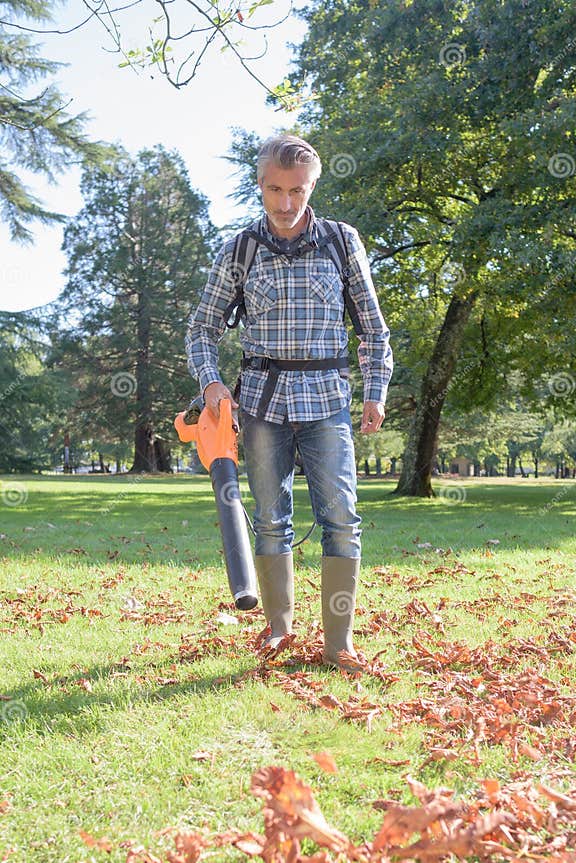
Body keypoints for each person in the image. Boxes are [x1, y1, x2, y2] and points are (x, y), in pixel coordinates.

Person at [185, 134, 393, 667]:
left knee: (341, 517)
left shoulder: (342, 243)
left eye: (296, 191)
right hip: (260, 402)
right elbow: (202, 330)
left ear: (312, 186)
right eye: (273, 189)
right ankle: (279, 631)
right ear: (260, 185)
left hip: (326, 401)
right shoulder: (241, 250)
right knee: (270, 515)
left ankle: (339, 643)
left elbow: (371, 328)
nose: (284, 203)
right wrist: (211, 383)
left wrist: (375, 391)